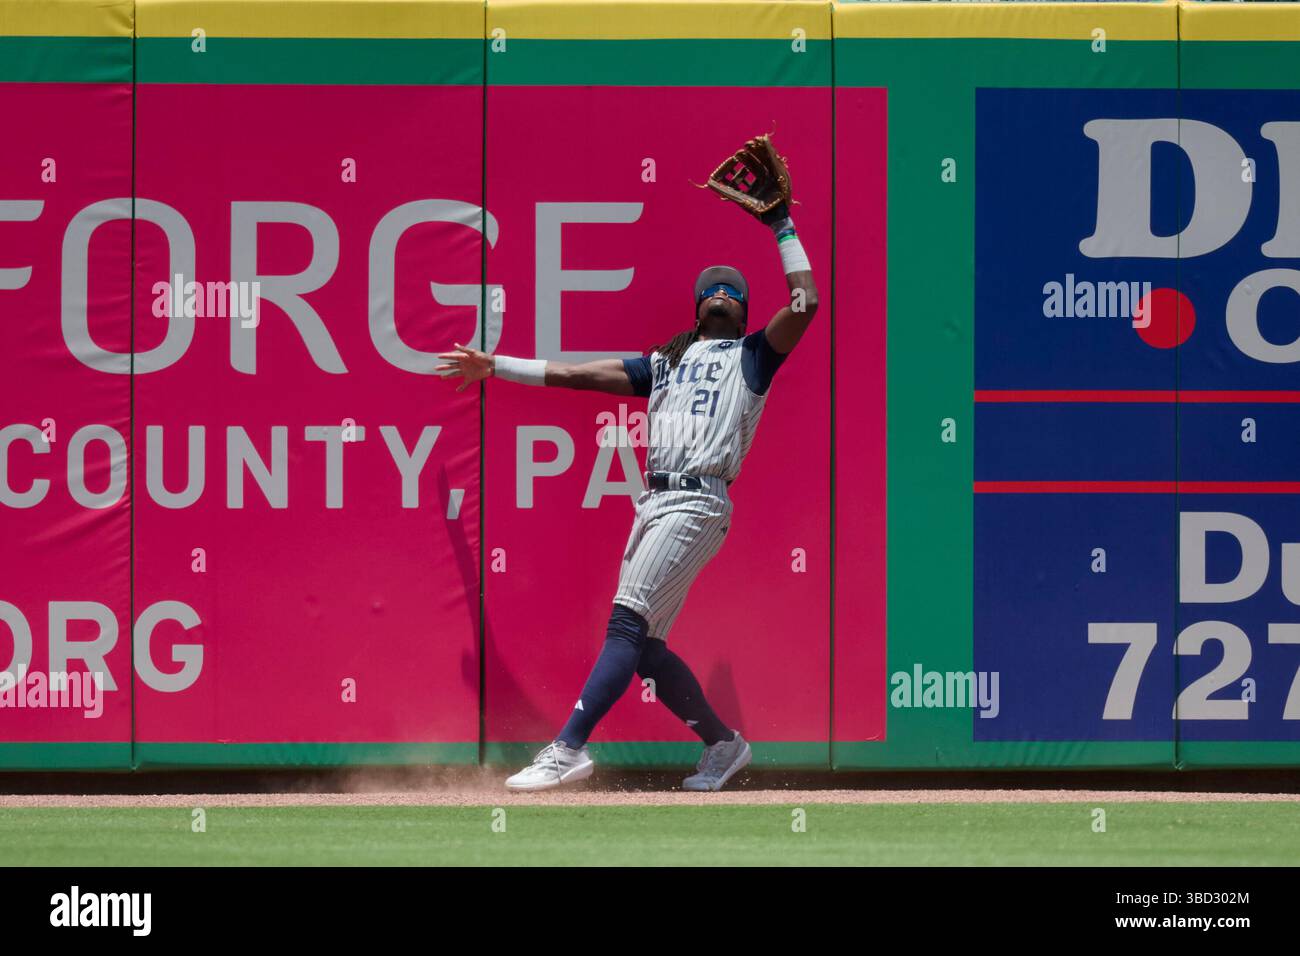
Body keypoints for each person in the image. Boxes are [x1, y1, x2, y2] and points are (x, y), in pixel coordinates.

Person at [437, 190, 817, 792]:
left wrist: (782, 225)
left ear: (744, 313)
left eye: (733, 291)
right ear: (698, 308)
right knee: (644, 648)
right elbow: (577, 374)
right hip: (656, 503)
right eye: (712, 289)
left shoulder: (753, 356)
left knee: (624, 623)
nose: (722, 293)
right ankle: (724, 745)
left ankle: (567, 749)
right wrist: (497, 366)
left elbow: (805, 301)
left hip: (698, 498)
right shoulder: (665, 363)